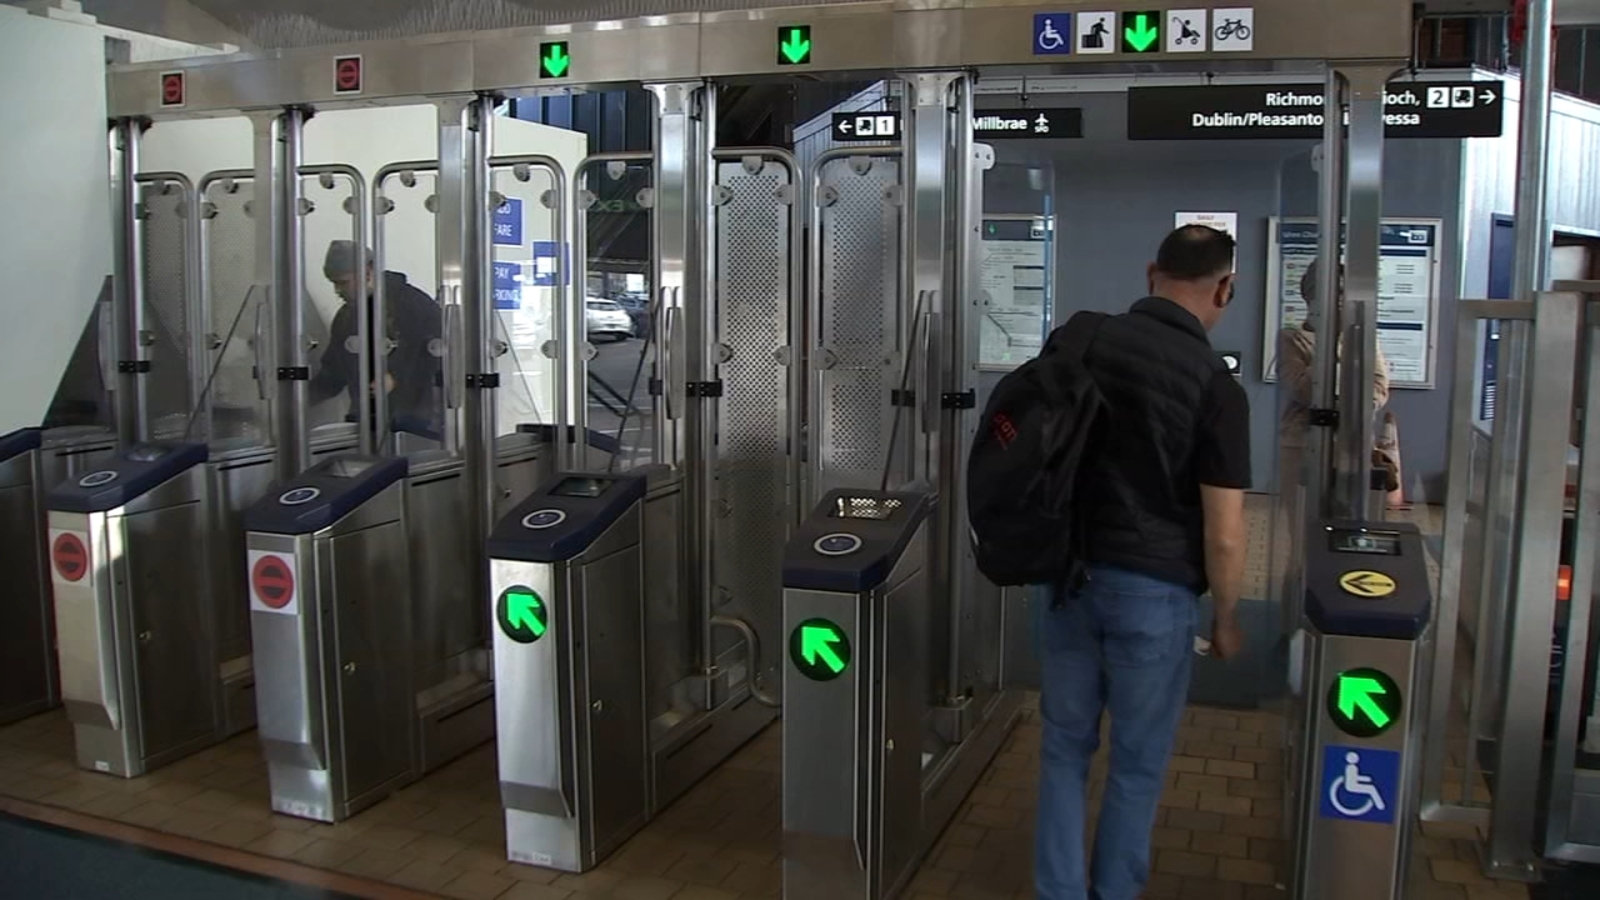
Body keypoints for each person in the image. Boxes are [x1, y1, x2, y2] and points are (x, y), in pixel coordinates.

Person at [1035, 225, 1251, 900]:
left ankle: (1060, 891)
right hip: (1155, 596)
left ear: (1152, 271)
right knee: (1137, 763)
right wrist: (1226, 615)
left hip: (1069, 577)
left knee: (1064, 750)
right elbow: (1225, 532)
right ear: (1226, 289)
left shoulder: (1085, 341)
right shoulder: (1216, 386)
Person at [310, 241, 443, 439]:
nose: (338, 291)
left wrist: (394, 376)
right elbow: (334, 371)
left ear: (368, 271)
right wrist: (300, 400)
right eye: (334, 284)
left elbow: (435, 355)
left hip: (416, 425)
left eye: (343, 282)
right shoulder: (346, 317)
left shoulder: (413, 304)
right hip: (366, 424)